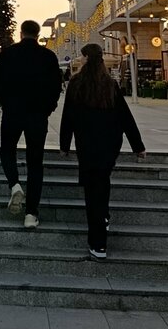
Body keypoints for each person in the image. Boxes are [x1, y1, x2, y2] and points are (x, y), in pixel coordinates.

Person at [60, 44, 146, 259]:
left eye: (82, 57)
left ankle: (98, 243)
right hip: (109, 143)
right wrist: (138, 146)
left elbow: (68, 115)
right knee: (102, 181)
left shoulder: (76, 83)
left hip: (87, 143)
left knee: (92, 190)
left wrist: (64, 144)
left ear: (85, 58)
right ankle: (104, 216)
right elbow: (125, 116)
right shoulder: (109, 84)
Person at [0, 20, 63, 230]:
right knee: (35, 162)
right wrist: (47, 108)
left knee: (7, 150)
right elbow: (56, 87)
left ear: (21, 33)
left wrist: (5, 102)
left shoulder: (8, 54)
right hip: (37, 116)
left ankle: (14, 184)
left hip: (13, 112)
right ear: (38, 35)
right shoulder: (48, 56)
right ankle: (31, 213)